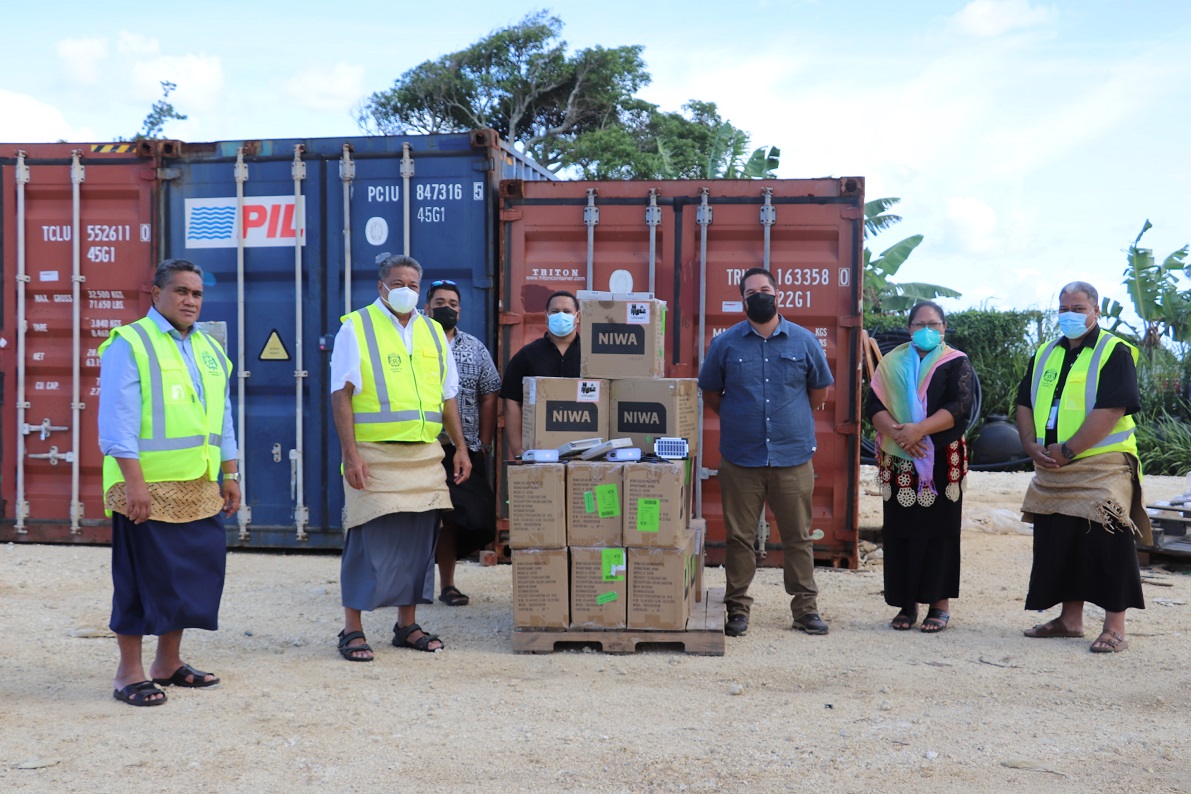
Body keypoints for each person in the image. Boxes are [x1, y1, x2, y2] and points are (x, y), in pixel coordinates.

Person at [97, 258, 241, 707]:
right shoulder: (131, 342)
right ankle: (129, 673)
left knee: (190, 577)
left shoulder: (211, 350)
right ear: (154, 293)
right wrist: (134, 483)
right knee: (141, 580)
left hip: (198, 486)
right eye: (180, 291)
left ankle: (167, 663)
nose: (190, 301)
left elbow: (223, 417)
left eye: (196, 294)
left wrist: (231, 473)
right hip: (147, 487)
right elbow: (117, 422)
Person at [330, 254, 471, 661]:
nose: (405, 291)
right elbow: (341, 393)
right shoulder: (355, 327)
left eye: (412, 284)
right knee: (366, 538)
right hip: (372, 452)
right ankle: (352, 629)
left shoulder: (432, 332)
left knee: (418, 540)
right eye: (397, 283)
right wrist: (350, 454)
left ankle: (406, 624)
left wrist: (460, 447)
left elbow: (448, 396)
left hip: (425, 454)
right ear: (381, 287)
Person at [1015, 281, 1151, 653]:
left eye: (1078, 308)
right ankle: (1069, 620)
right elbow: (1024, 402)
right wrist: (1030, 444)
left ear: (1096, 312)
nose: (1070, 315)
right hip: (1053, 464)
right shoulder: (1045, 352)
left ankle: (1115, 627)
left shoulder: (1114, 351)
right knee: (1058, 537)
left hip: (1103, 464)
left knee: (1109, 538)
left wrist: (1070, 450)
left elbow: (1112, 408)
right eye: (1064, 308)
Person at [697, 267, 834, 637]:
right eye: (751, 291)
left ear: (778, 295)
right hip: (741, 458)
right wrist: (741, 418)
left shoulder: (804, 341)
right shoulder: (725, 344)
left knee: (798, 537)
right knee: (739, 538)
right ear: (742, 300)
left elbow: (818, 393)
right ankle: (737, 610)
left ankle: (806, 610)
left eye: (765, 289)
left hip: (793, 457)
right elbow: (711, 393)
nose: (759, 295)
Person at [867, 301, 974, 633]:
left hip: (940, 458)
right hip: (899, 458)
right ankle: (905, 603)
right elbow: (873, 405)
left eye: (934, 324)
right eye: (919, 324)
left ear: (944, 328)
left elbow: (960, 406)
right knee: (900, 529)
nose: (927, 329)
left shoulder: (956, 362)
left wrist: (919, 431)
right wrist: (902, 436)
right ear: (909, 327)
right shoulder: (891, 362)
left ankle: (938, 604)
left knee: (940, 529)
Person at [424, 279, 501, 606]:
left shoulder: (473, 347)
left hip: (462, 450)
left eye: (453, 304)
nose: (448, 308)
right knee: (424, 517)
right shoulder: (411, 341)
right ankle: (426, 585)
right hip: (421, 447)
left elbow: (490, 392)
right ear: (426, 307)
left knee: (470, 516)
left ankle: (447, 583)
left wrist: (482, 442)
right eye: (440, 302)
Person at [499, 290, 581, 459]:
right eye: (555, 312)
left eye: (566, 312)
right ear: (546, 317)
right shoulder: (527, 355)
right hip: (540, 453)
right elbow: (512, 401)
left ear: (577, 317)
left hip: (585, 451)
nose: (560, 316)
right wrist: (518, 450)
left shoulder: (591, 355)